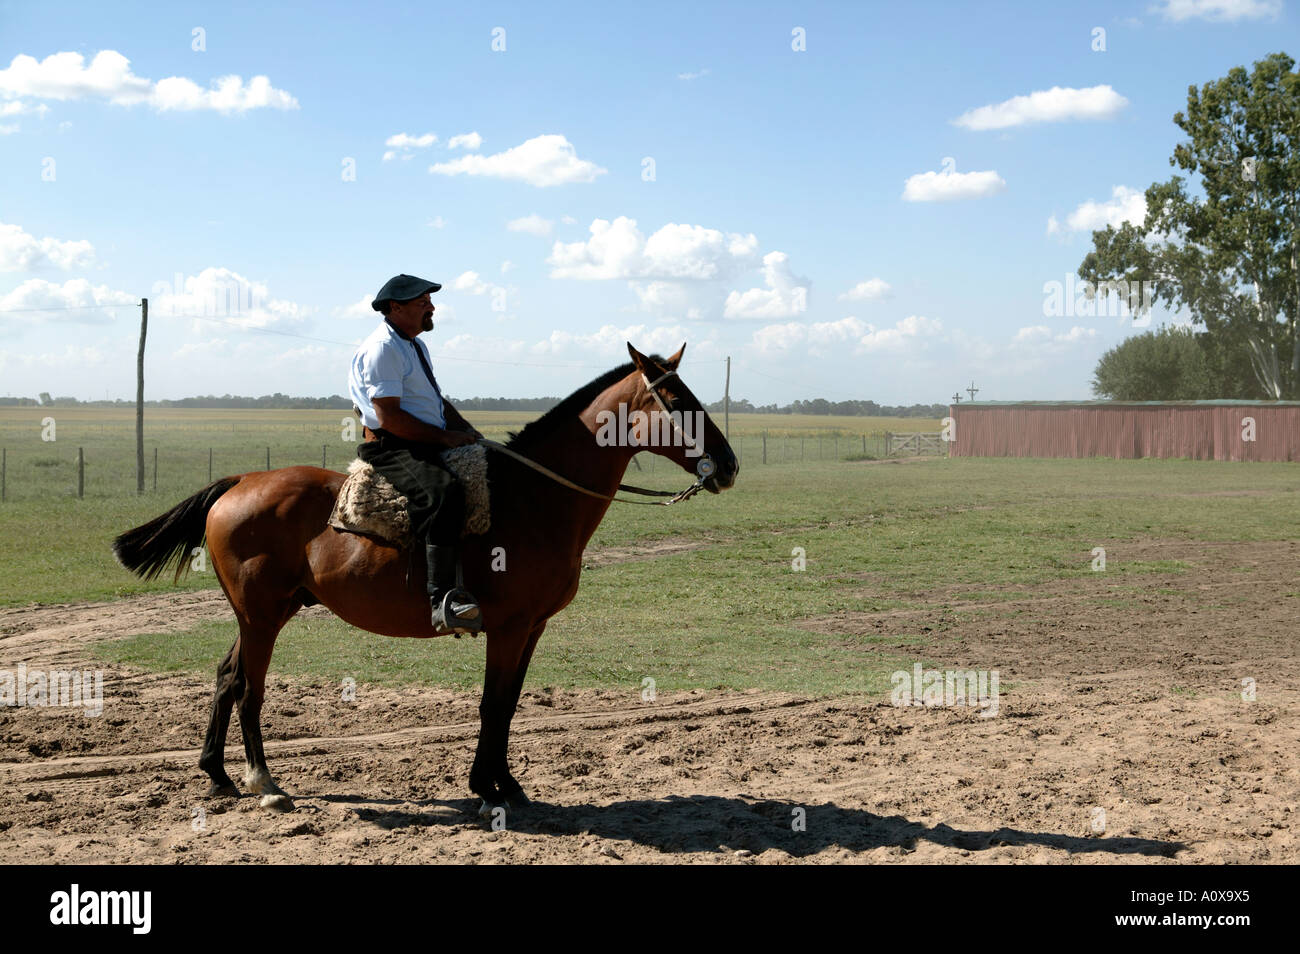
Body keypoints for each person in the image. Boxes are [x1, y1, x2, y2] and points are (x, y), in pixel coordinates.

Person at [347, 274, 484, 633]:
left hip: (422, 439)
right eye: (423, 303)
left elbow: (433, 401)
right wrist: (444, 438)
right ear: (396, 307)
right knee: (442, 493)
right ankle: (442, 599)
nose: (432, 308)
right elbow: (389, 416)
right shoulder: (383, 349)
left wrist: (467, 432)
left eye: (429, 301)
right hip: (393, 446)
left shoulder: (413, 345)